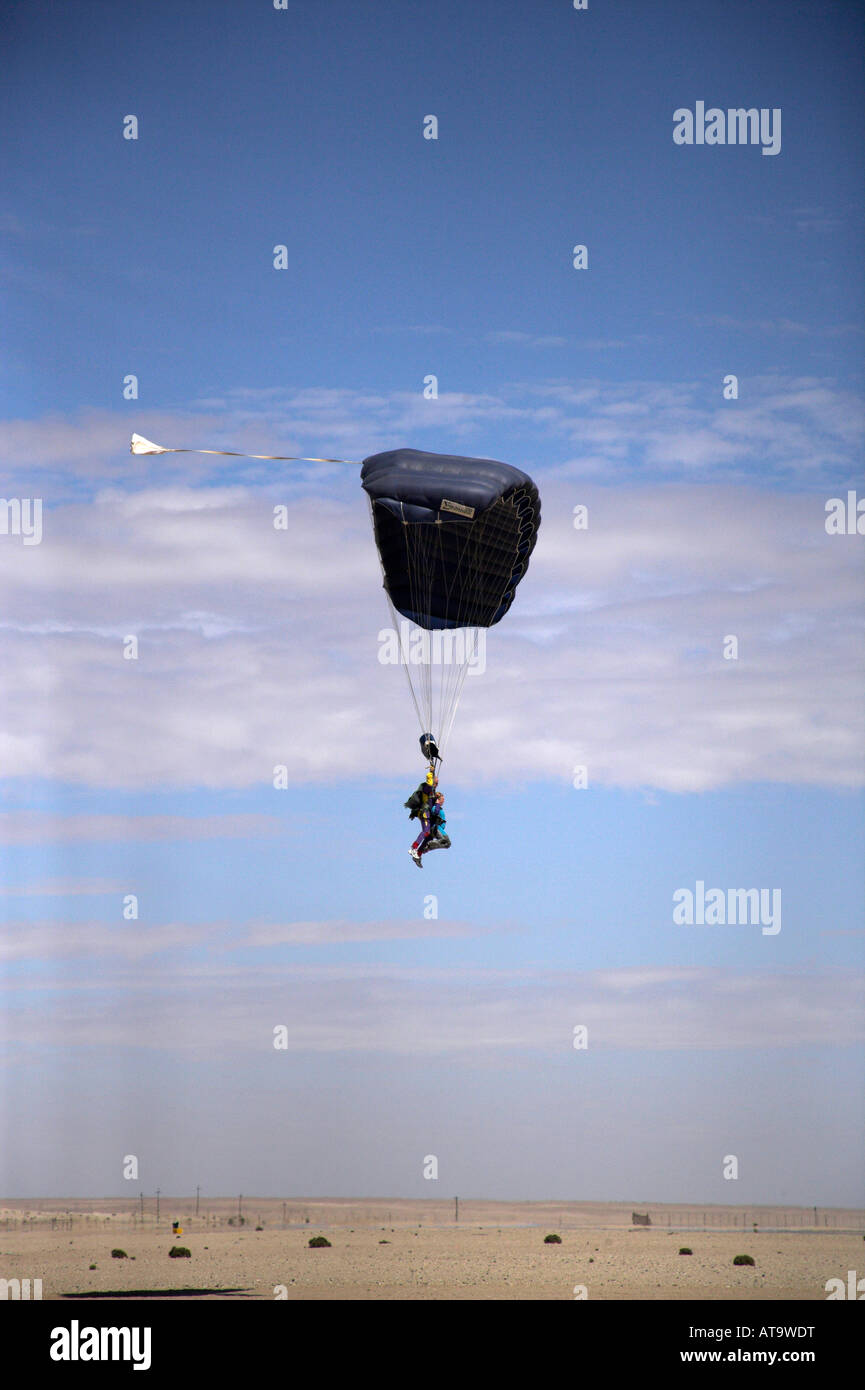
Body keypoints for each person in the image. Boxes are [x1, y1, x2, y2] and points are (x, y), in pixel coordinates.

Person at [406, 772, 437, 867]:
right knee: (426, 832)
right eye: (436, 782)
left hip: (427, 813)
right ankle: (413, 848)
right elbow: (429, 783)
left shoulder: (431, 792)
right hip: (424, 812)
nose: (437, 784)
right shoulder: (427, 789)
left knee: (429, 835)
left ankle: (418, 854)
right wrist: (431, 774)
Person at [421, 792, 450, 856]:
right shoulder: (435, 807)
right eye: (442, 799)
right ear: (438, 800)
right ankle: (428, 844)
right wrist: (437, 803)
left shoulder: (439, 808)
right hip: (436, 828)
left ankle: (428, 847)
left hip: (440, 829)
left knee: (447, 844)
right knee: (443, 840)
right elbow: (435, 812)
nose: (443, 801)